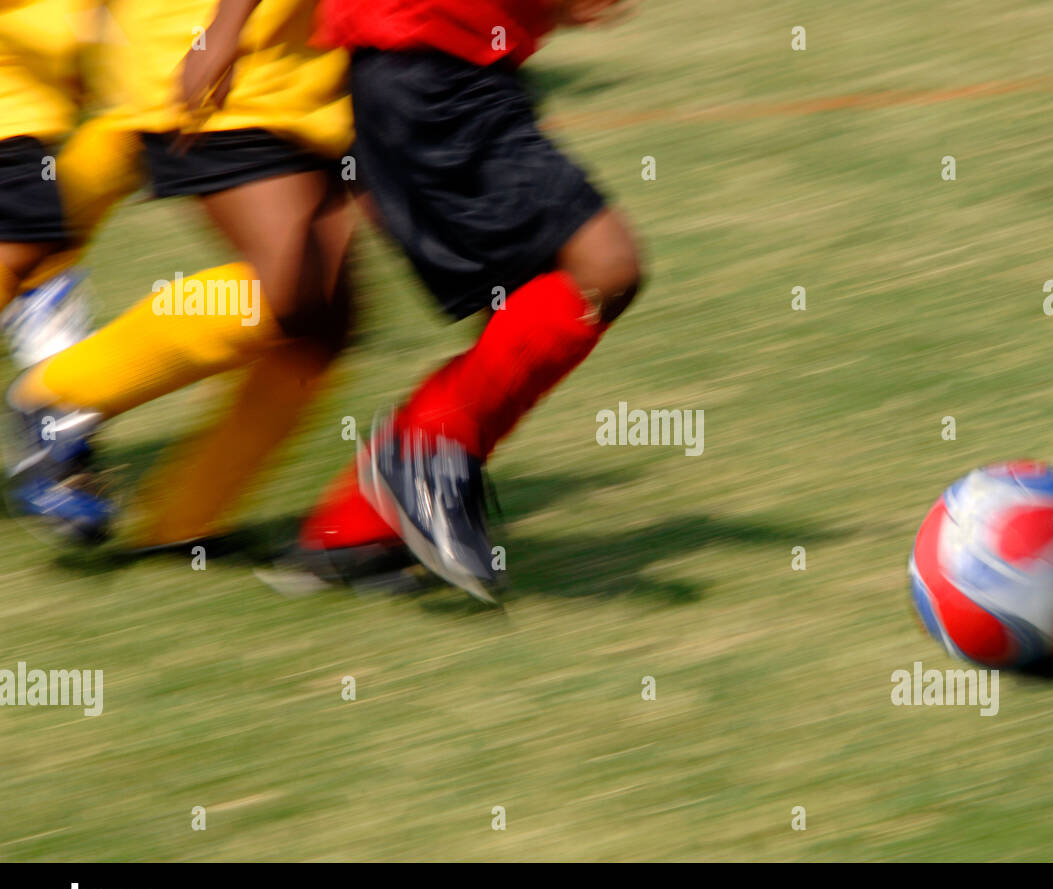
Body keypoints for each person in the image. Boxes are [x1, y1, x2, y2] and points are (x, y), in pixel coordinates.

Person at [191, 0, 644, 601]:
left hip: (464, 72)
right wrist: (222, 32)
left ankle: (352, 531)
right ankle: (422, 457)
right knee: (604, 268)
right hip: (426, 72)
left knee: (528, 305)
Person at [5, 0, 357, 550]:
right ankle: (61, 395)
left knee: (324, 319)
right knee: (288, 291)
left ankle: (183, 524)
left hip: (302, 58)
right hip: (224, 67)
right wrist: (223, 29)